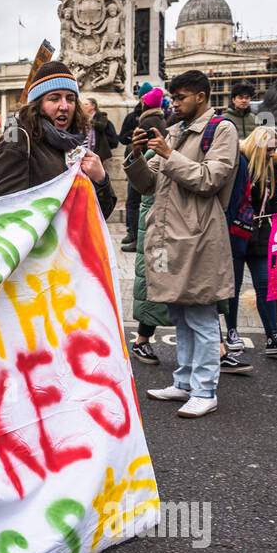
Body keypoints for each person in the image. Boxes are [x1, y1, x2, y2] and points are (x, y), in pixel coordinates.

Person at [125, 70, 239, 419]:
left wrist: (169, 154)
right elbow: (149, 185)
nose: (175, 104)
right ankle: (185, 381)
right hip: (166, 236)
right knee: (178, 312)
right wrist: (135, 156)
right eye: (173, 99)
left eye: (181, 98)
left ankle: (206, 390)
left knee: (202, 314)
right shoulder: (173, 132)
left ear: (201, 96)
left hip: (200, 236)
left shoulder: (222, 130)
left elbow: (209, 179)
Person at [0, 61, 116, 215]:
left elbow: (99, 216)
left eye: (70, 99)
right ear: (37, 105)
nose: (64, 106)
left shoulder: (75, 144)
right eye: (54, 98)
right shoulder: (17, 141)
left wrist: (101, 180)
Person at [225, 127, 277, 356]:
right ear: (257, 147)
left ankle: (273, 336)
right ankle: (231, 333)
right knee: (233, 288)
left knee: (266, 285)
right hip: (236, 233)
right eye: (269, 149)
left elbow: (275, 200)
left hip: (259, 234)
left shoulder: (272, 167)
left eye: (275, 149)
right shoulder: (239, 164)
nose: (273, 152)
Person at [129, 89, 170, 364]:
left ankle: (216, 344)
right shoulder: (159, 125)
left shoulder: (160, 124)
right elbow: (148, 179)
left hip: (164, 211)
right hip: (154, 211)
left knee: (159, 278)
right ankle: (142, 338)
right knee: (154, 277)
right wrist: (136, 153)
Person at [119, 82, 155, 251]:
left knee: (137, 201)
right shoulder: (133, 116)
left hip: (149, 164)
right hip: (135, 161)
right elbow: (122, 137)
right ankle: (132, 233)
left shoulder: (155, 119)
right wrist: (132, 138)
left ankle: (137, 236)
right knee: (132, 202)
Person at [80, 95, 119, 162]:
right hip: (84, 147)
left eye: (86, 104)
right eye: (82, 104)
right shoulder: (82, 117)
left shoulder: (101, 115)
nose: (83, 106)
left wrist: (91, 120)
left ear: (93, 106)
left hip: (98, 148)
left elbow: (101, 126)